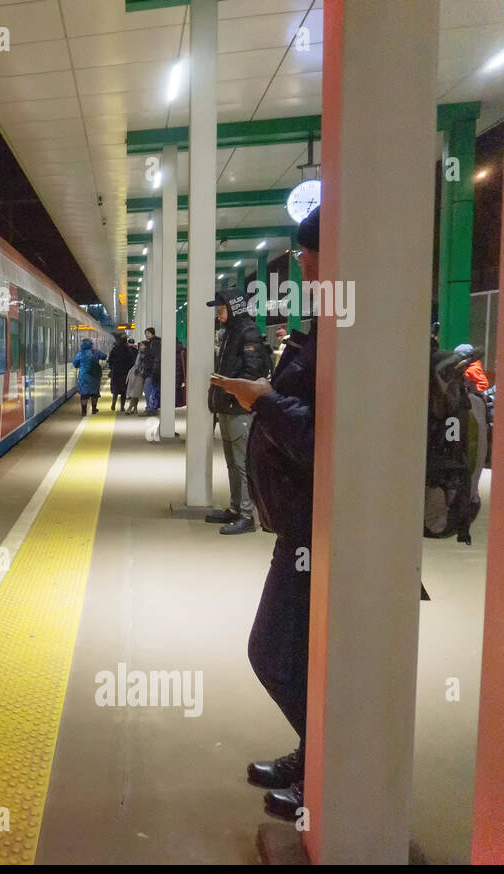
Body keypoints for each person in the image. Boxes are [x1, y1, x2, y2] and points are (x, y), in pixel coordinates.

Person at [210, 206, 319, 821]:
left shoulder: (350, 332)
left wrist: (262, 400)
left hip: (321, 526)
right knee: (291, 651)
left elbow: (326, 436)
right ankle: (316, 754)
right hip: (301, 523)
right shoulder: (326, 329)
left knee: (273, 650)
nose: (302, 263)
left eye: (308, 252)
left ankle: (326, 765)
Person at [205, 290, 269, 535]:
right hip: (227, 406)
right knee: (232, 462)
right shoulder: (231, 332)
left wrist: (233, 393)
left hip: (239, 408)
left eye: (221, 309)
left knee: (242, 464)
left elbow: (253, 371)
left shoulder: (248, 331)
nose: (218, 313)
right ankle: (235, 508)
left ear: (234, 307)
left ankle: (247, 515)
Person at [73, 338, 107, 414]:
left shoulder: (80, 353)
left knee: (84, 394)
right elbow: (104, 356)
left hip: (83, 376)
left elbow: (75, 364)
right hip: (94, 376)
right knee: (94, 393)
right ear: (91, 344)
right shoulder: (96, 352)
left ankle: (84, 411)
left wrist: (82, 365)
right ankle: (94, 409)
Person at [107, 333, 135, 411]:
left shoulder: (115, 349)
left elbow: (110, 360)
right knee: (123, 391)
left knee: (115, 389)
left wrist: (112, 368)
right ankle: (122, 407)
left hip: (116, 372)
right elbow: (132, 361)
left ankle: (113, 403)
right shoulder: (128, 350)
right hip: (125, 373)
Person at [141, 327, 162, 414]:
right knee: (152, 391)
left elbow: (153, 357)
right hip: (153, 371)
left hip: (151, 372)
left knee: (149, 391)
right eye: (146, 333)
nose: (146, 335)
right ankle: (151, 408)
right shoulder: (153, 342)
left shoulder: (154, 343)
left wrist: (145, 350)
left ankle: (150, 409)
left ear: (152, 333)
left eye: (148, 333)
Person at [124, 342, 146, 414]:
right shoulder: (140, 353)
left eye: (142, 345)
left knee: (135, 392)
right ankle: (135, 408)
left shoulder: (143, 354)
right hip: (137, 374)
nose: (141, 347)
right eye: (141, 345)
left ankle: (130, 408)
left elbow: (138, 364)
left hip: (138, 374)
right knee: (136, 392)